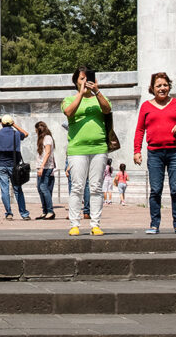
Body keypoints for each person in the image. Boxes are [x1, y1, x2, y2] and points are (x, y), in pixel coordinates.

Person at [132, 70, 176, 235]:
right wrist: (136, 151)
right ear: (152, 88)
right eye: (158, 85)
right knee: (155, 189)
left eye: (165, 85)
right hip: (154, 154)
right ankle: (154, 224)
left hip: (175, 153)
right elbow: (140, 130)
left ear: (169, 87)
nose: (162, 88)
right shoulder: (146, 106)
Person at [64, 65, 112, 236]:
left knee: (96, 187)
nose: (85, 81)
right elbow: (69, 112)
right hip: (78, 149)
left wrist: (97, 92)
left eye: (88, 78)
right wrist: (81, 93)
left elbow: (107, 109)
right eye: (82, 79)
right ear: (76, 81)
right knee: (77, 186)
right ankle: (75, 224)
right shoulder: (70, 99)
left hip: (99, 148)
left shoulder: (99, 98)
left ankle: (95, 224)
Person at [0, 113, 31, 221]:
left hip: (1, 165)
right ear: (11, 123)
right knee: (18, 189)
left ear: (2, 124)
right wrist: (15, 125)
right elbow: (26, 133)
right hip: (14, 166)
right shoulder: (16, 134)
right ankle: (24, 214)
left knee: (4, 190)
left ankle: (9, 213)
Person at [33, 121, 56, 219]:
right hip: (42, 167)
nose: (35, 131)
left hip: (46, 167)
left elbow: (47, 153)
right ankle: (45, 211)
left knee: (43, 188)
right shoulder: (44, 138)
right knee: (40, 188)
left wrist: (42, 167)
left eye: (35, 129)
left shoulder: (47, 138)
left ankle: (50, 211)